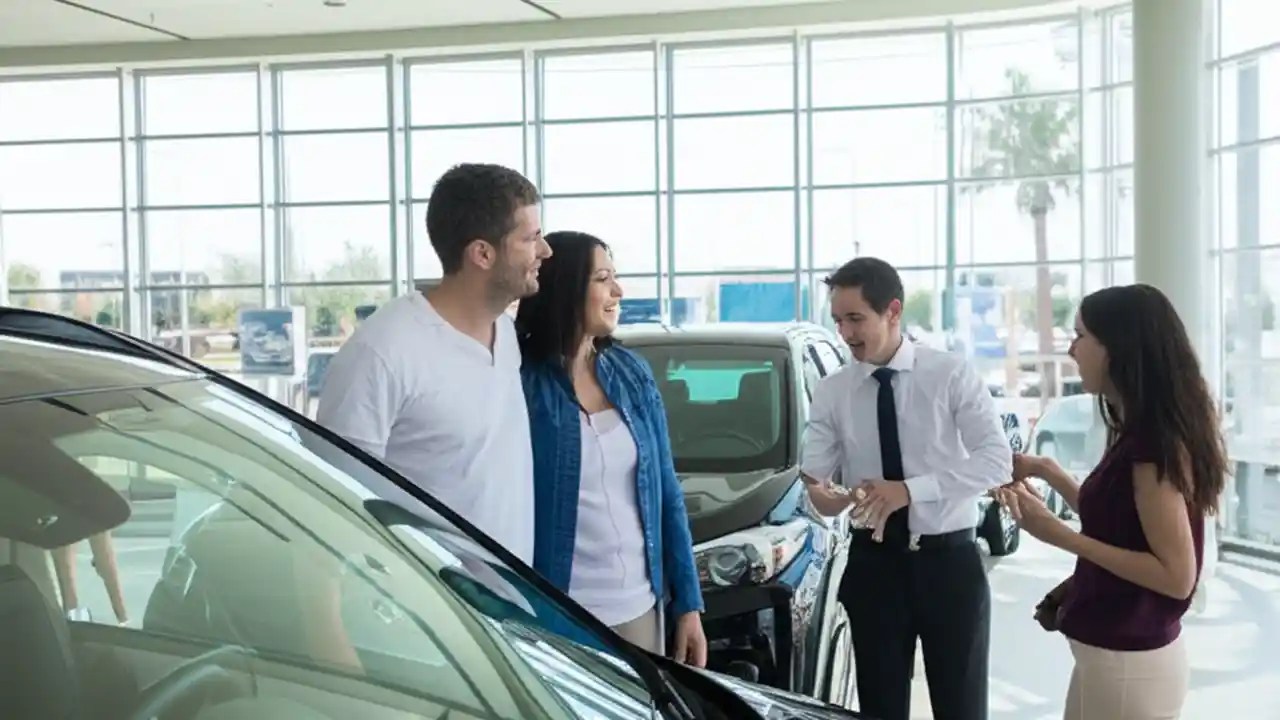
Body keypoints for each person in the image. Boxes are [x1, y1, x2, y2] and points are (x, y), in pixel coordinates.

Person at [995, 284, 1226, 720]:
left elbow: (1176, 576)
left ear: (1117, 348)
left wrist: (1059, 535)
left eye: (1081, 336)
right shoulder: (1138, 432)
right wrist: (1048, 470)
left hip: (1129, 667)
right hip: (1111, 660)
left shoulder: (1151, 446)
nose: (1071, 350)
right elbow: (1123, 524)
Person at [800, 257, 1013, 720]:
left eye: (856, 318)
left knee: (961, 709)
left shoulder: (950, 374)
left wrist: (909, 490)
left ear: (892, 311)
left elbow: (997, 462)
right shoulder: (833, 390)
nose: (845, 333)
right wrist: (833, 499)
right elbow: (816, 481)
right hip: (874, 567)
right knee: (880, 709)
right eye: (837, 320)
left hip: (949, 567)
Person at [317, 163, 551, 564]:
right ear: (482, 253)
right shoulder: (382, 353)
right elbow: (331, 509)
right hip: (427, 615)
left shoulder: (505, 332)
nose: (545, 251)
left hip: (506, 611)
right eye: (531, 238)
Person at [515, 231, 707, 665]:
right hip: (557, 616)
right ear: (565, 289)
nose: (618, 291)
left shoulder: (631, 373)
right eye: (603, 279)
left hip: (640, 610)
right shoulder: (519, 383)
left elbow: (666, 493)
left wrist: (688, 604)